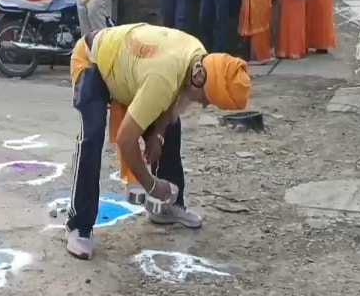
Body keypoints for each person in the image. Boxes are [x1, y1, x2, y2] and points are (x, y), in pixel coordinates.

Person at [65, 23, 251, 259]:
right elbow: (125, 139)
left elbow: (174, 98)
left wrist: (159, 135)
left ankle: (166, 207)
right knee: (92, 135)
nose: (204, 105)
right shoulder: (163, 78)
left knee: (171, 125)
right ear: (199, 79)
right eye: (206, 99)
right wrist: (150, 184)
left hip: (131, 67)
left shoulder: (198, 58)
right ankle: (78, 226)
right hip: (92, 61)